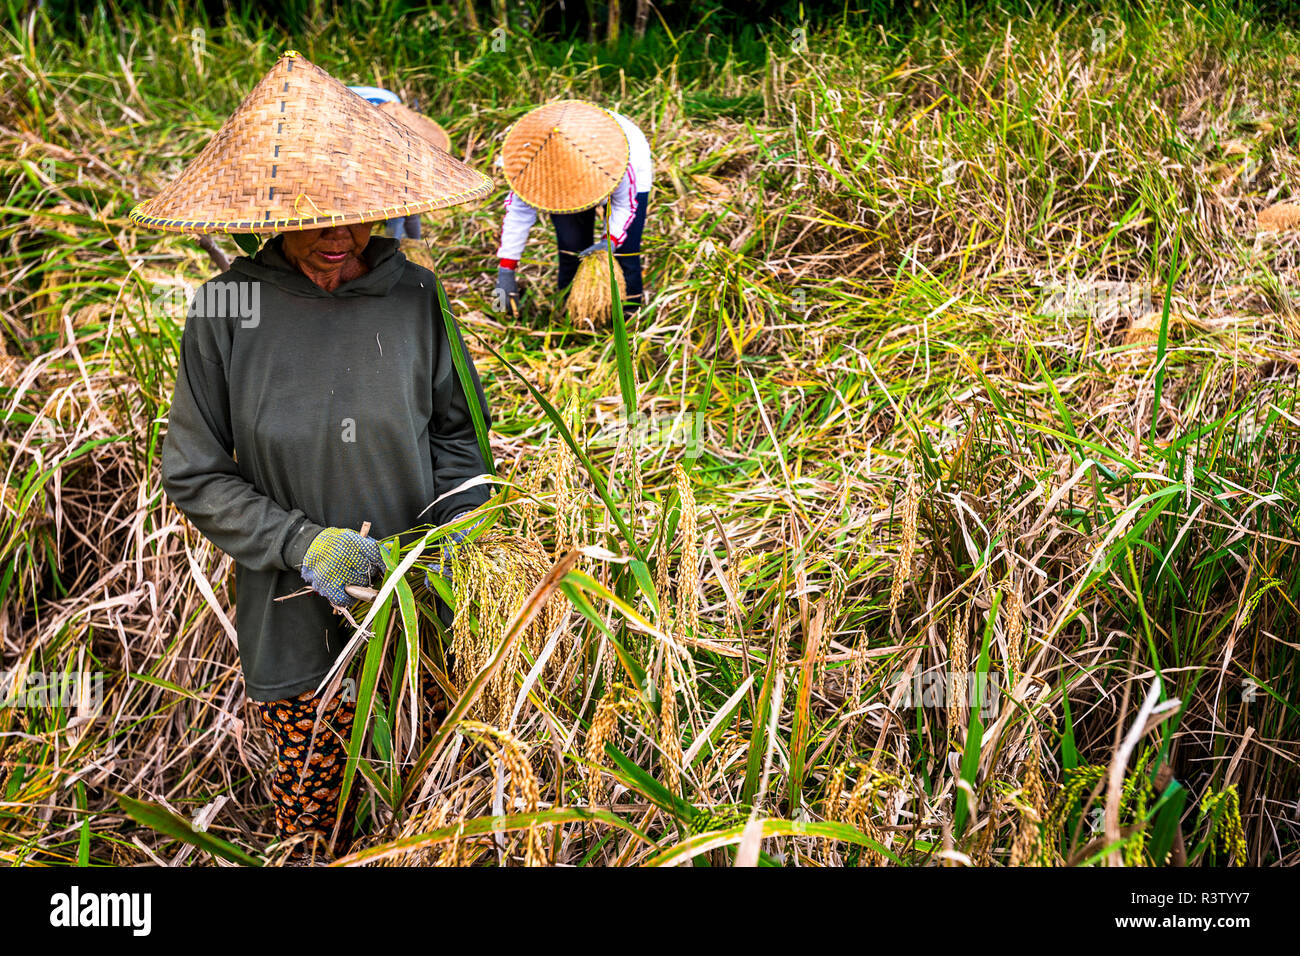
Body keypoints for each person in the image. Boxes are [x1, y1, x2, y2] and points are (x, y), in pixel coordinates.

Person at [130, 52, 494, 863]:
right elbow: (194, 469)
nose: (339, 240)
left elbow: (460, 438)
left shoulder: (416, 298)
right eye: (316, 222)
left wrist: (445, 543)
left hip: (415, 612)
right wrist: (302, 545)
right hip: (288, 620)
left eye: (358, 217)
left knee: (423, 807)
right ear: (271, 213)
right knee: (317, 823)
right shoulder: (227, 307)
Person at [494, 100, 653, 317]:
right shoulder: (529, 163)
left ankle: (629, 317)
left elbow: (626, 206)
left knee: (626, 252)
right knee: (572, 249)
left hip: (616, 162)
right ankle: (572, 312)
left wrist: (610, 241)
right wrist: (506, 269)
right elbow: (518, 215)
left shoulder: (621, 158)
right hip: (554, 162)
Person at [347, 86, 454, 240]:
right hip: (386, 146)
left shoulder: (387, 108)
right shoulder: (376, 100)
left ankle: (398, 247)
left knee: (399, 209)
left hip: (392, 153)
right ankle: (408, 244)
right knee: (404, 208)